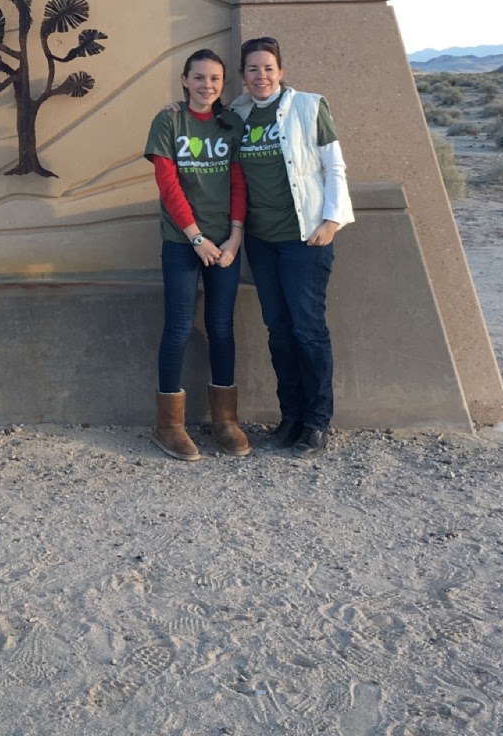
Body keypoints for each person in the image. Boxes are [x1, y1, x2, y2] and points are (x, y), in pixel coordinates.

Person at [230, 36, 353, 458]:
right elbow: (200, 118)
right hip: (262, 242)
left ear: (281, 71)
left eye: (268, 68)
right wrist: (174, 108)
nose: (260, 76)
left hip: (305, 239)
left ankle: (317, 421)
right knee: (279, 331)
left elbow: (333, 165)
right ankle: (291, 417)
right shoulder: (238, 114)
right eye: (252, 69)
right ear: (242, 75)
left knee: (308, 330)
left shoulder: (309, 106)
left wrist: (332, 220)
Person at [143, 49, 249, 462]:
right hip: (182, 242)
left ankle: (226, 420)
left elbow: (239, 182)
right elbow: (168, 186)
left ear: (224, 83)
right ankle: (169, 425)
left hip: (224, 245)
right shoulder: (168, 121)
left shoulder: (231, 124)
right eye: (199, 77)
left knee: (222, 327)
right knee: (179, 328)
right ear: (185, 80)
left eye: (215, 79)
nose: (207, 85)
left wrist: (234, 236)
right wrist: (196, 237)